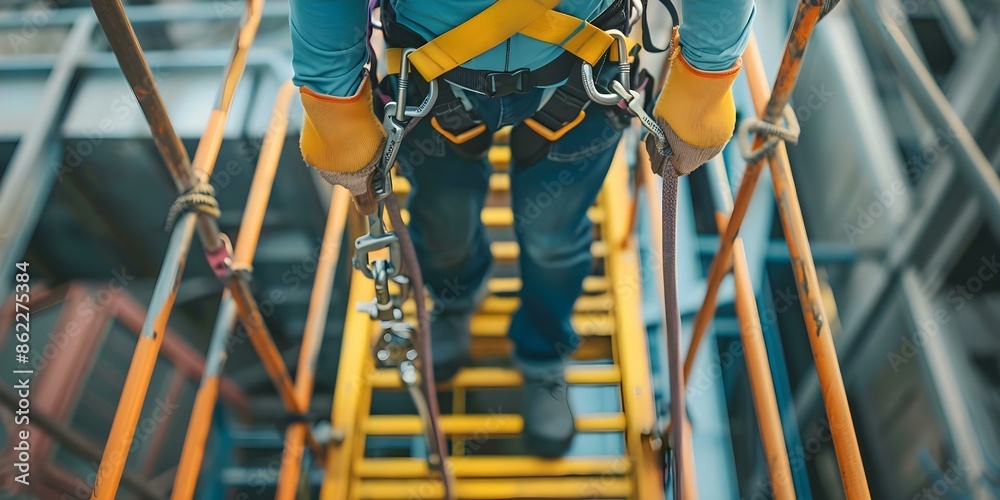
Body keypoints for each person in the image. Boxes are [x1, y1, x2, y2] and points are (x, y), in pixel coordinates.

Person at [291, 0, 754, 457]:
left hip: (583, 74)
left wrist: (704, 80)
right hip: (432, 80)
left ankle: (542, 354)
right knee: (445, 223)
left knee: (553, 239)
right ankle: (455, 301)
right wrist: (337, 105)